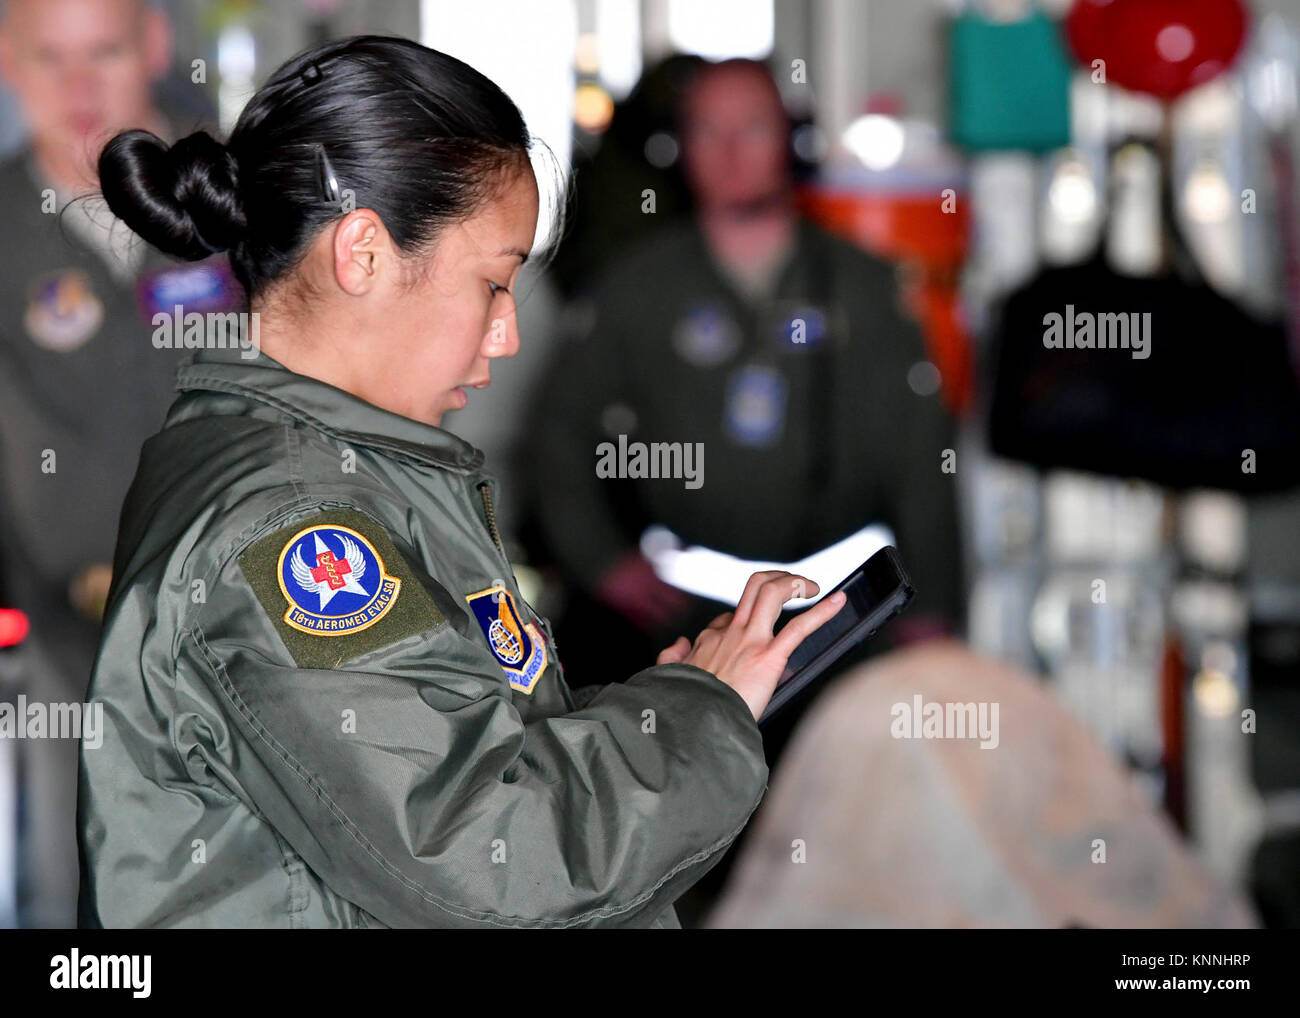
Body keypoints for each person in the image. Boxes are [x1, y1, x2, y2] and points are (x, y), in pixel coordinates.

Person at [78, 35, 847, 929]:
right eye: (493, 284)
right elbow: (488, 858)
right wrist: (697, 720)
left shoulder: (334, 469)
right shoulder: (293, 527)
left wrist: (650, 712)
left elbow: (445, 746)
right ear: (362, 253)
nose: (507, 334)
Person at [529, 59, 964, 697]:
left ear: (790, 137)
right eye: (708, 130)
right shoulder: (637, 288)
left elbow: (925, 456)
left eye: (752, 127)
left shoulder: (863, 285)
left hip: (844, 621)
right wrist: (601, 562)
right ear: (681, 148)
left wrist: (932, 609)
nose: (730, 153)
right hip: (689, 629)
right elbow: (557, 432)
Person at [0, 0, 237, 928]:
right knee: (75, 880)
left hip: (242, 623)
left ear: (155, 45)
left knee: (239, 884)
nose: (79, 87)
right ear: (7, 62)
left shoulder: (236, 203)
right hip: (65, 636)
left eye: (103, 51)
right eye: (48, 57)